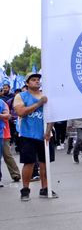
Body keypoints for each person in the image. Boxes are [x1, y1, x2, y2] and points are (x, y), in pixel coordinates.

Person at [13, 72, 56, 201]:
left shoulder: (45, 95)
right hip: (28, 134)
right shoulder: (21, 96)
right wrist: (38, 104)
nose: (37, 81)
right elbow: (21, 112)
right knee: (29, 163)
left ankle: (45, 188)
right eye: (33, 80)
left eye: (38, 79)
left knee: (45, 162)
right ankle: (25, 190)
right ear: (27, 83)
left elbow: (52, 115)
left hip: (45, 135)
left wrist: (48, 131)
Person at [0, 98, 21, 184]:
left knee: (7, 154)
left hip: (3, 133)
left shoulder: (2, 103)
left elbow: (8, 116)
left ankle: (15, 174)